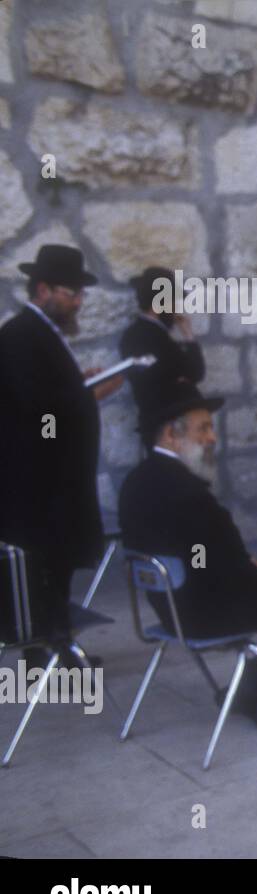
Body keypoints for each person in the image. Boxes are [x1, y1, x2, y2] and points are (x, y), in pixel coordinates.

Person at [118, 381, 257, 726]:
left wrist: (247, 566)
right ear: (172, 434)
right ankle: (253, 694)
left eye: (211, 428)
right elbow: (224, 572)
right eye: (204, 429)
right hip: (205, 613)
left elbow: (200, 556)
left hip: (169, 606)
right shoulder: (189, 495)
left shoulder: (137, 482)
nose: (212, 437)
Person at [0, 245, 122, 663]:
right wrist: (91, 394)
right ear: (43, 289)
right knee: (43, 572)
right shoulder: (20, 335)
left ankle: (56, 649)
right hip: (38, 485)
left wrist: (82, 385)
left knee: (57, 570)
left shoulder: (42, 334)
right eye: (71, 293)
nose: (78, 301)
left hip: (55, 482)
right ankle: (48, 654)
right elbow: (41, 410)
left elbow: (53, 394)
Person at [120, 265, 206, 437]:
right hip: (168, 430)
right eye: (172, 301)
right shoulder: (146, 337)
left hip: (169, 426)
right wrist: (188, 337)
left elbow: (192, 375)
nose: (175, 308)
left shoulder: (148, 334)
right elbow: (194, 373)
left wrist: (181, 379)